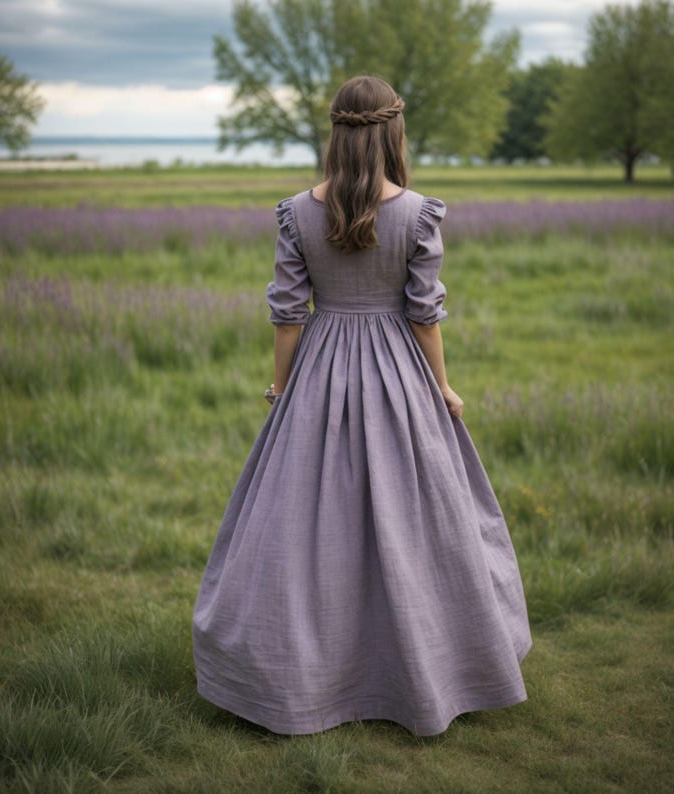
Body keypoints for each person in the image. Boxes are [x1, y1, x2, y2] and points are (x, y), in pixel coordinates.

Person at [192, 75, 531, 736]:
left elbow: (288, 314)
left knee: (308, 524)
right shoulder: (419, 212)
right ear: (393, 133)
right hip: (400, 376)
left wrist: (282, 391)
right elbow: (424, 316)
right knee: (417, 522)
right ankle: (422, 668)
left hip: (318, 374)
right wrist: (441, 388)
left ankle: (306, 674)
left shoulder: (297, 212)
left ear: (336, 134)